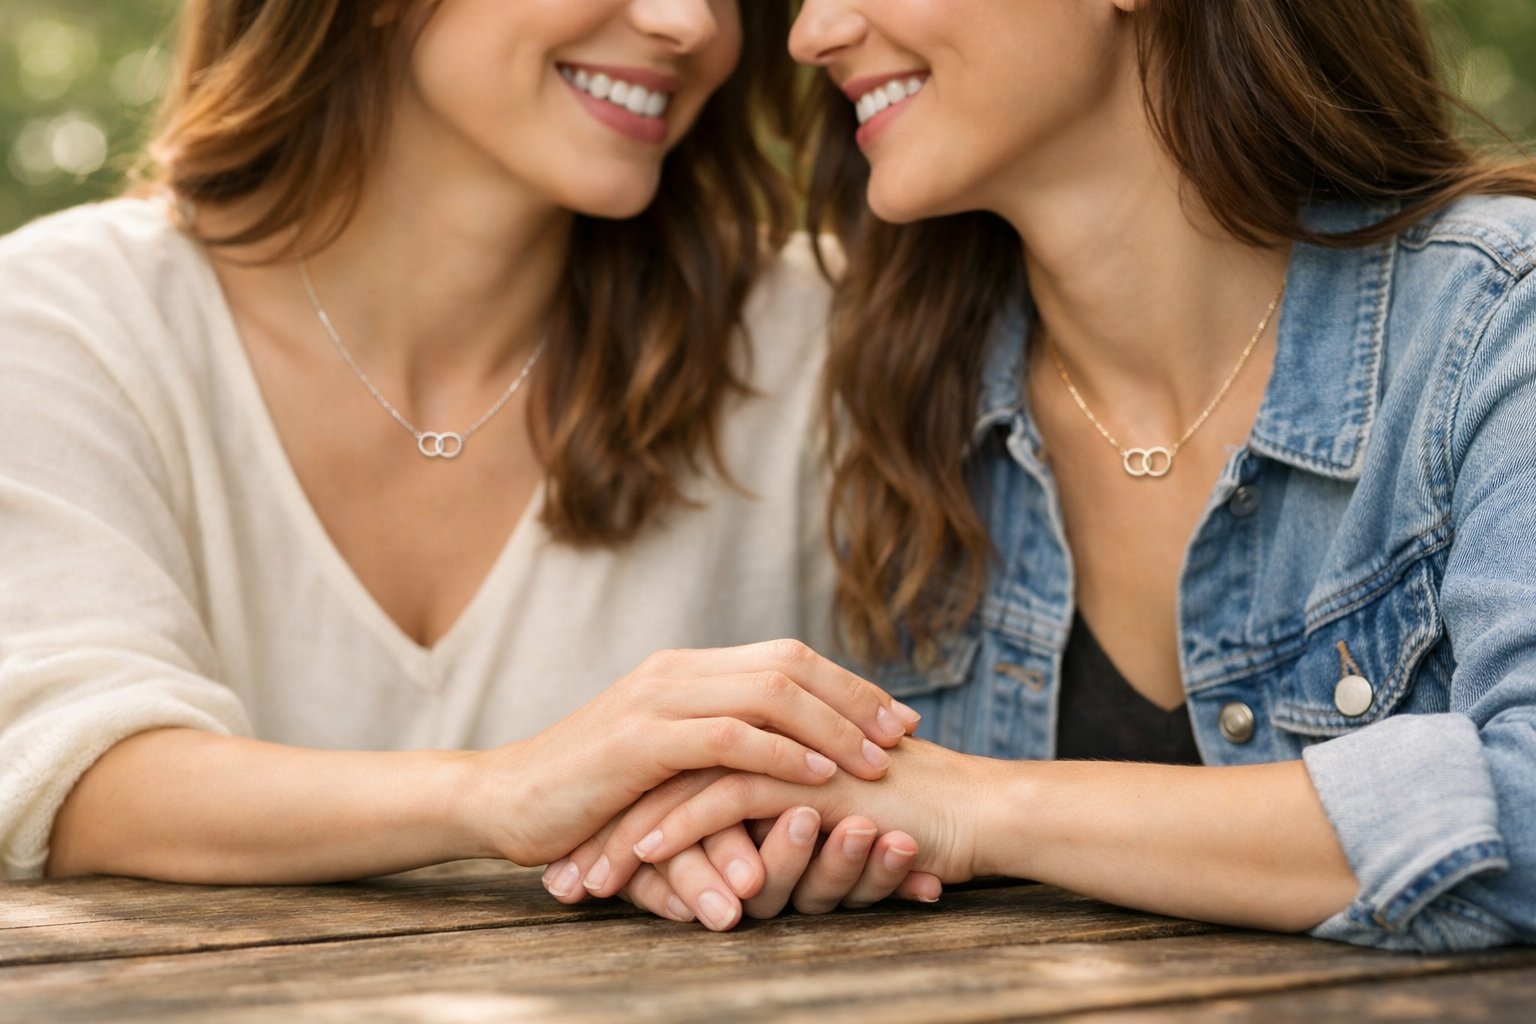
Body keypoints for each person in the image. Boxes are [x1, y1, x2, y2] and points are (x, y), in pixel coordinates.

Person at [574, 0, 1536, 951]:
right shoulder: (885, 394)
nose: (810, 35)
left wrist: (980, 808)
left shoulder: (1493, 327)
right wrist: (738, 833)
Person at [0, 0, 940, 932]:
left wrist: (775, 832)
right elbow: (68, 769)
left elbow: (917, 771)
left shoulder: (820, 342)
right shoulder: (67, 321)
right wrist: (499, 793)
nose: (687, 23)